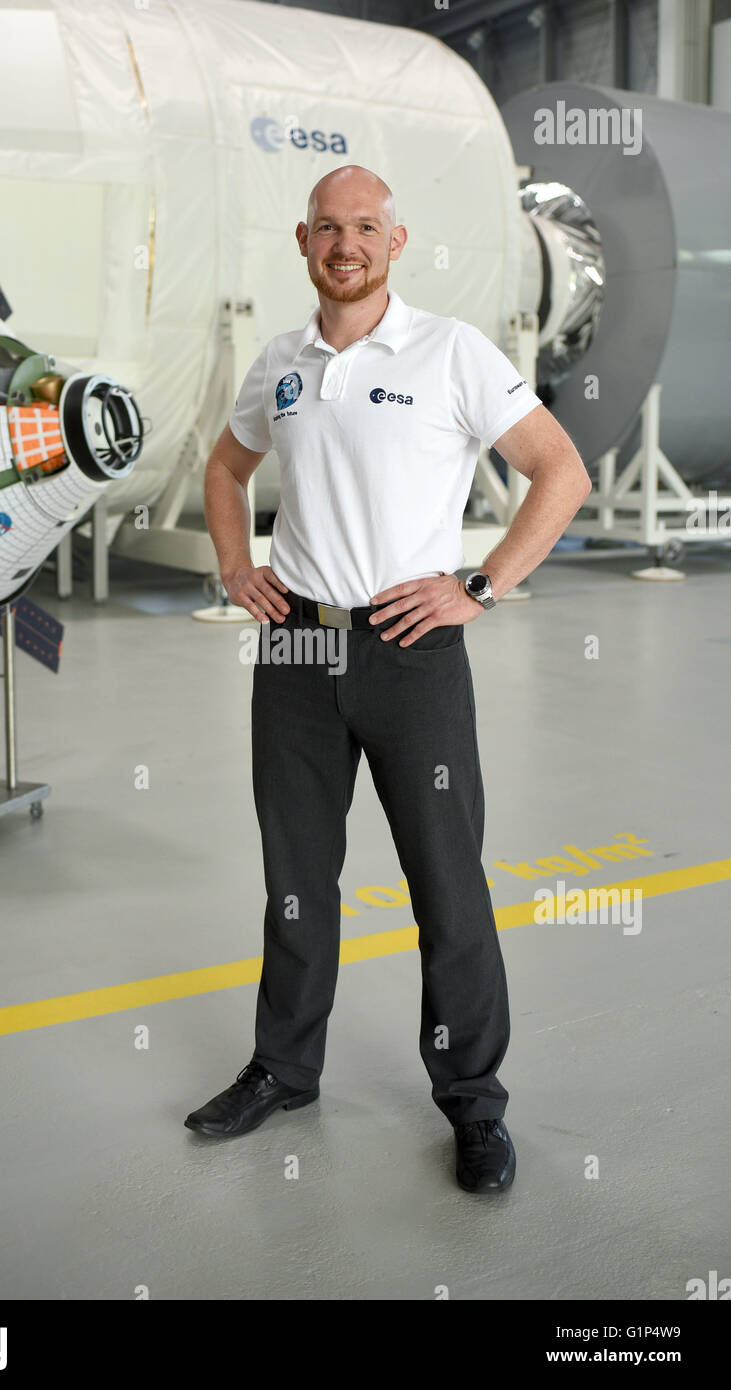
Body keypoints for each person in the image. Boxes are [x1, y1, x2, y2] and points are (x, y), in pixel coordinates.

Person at [188, 165, 591, 1193]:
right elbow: (224, 468)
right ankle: (283, 1066)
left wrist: (484, 585)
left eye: (363, 226)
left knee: (445, 883)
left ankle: (471, 1100)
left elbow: (560, 470)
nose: (344, 243)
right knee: (294, 880)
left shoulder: (451, 351)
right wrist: (236, 566)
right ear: (302, 240)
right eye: (327, 228)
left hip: (411, 650)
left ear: (393, 242)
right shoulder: (279, 363)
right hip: (294, 649)